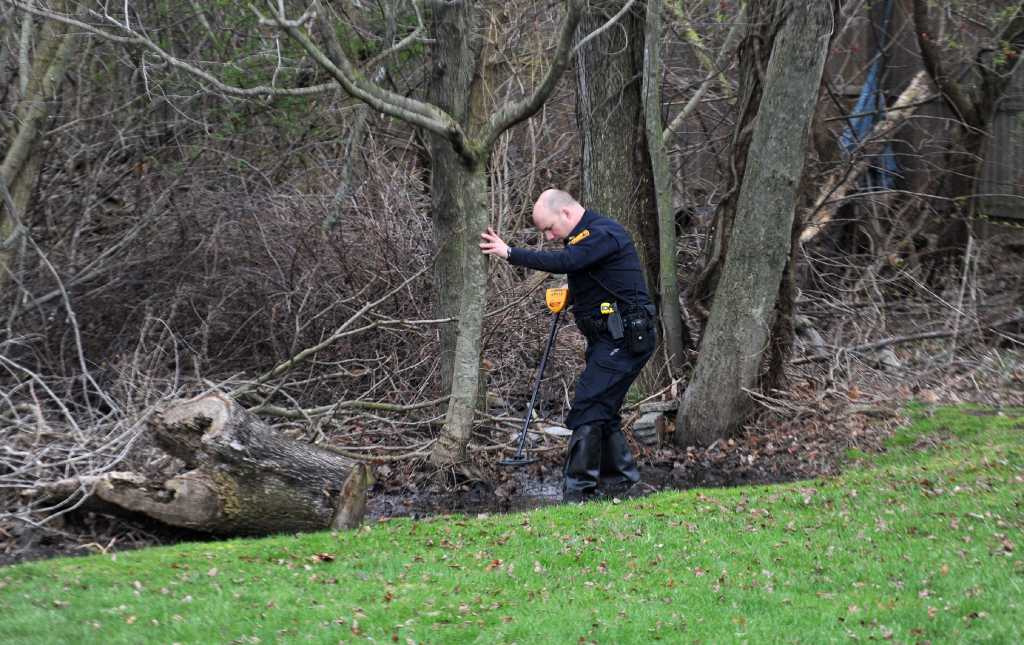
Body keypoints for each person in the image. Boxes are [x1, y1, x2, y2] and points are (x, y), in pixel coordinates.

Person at [480, 189, 656, 502]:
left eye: (549, 228)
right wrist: (571, 295)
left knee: (588, 404)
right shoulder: (582, 239)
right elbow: (595, 275)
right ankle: (621, 482)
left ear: (565, 214)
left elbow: (567, 261)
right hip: (608, 338)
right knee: (604, 410)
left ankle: (578, 490)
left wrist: (509, 253)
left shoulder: (602, 233)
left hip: (627, 338)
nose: (548, 237)